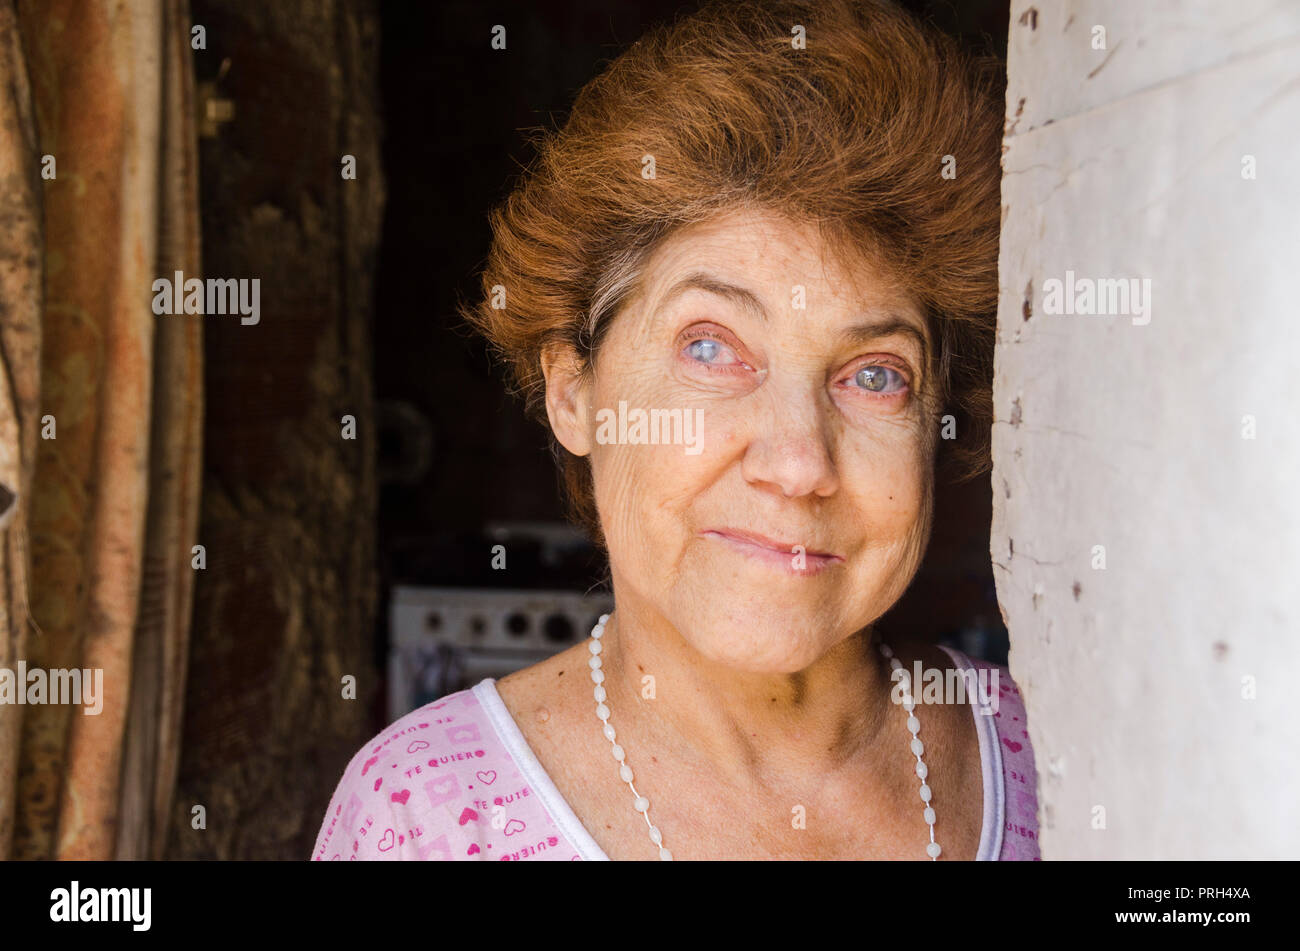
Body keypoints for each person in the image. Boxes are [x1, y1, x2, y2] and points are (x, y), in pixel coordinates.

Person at [312, 0, 1039, 862]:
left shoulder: (1046, 755)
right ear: (573, 391)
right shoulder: (427, 816)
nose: (799, 462)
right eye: (711, 348)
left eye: (875, 374)